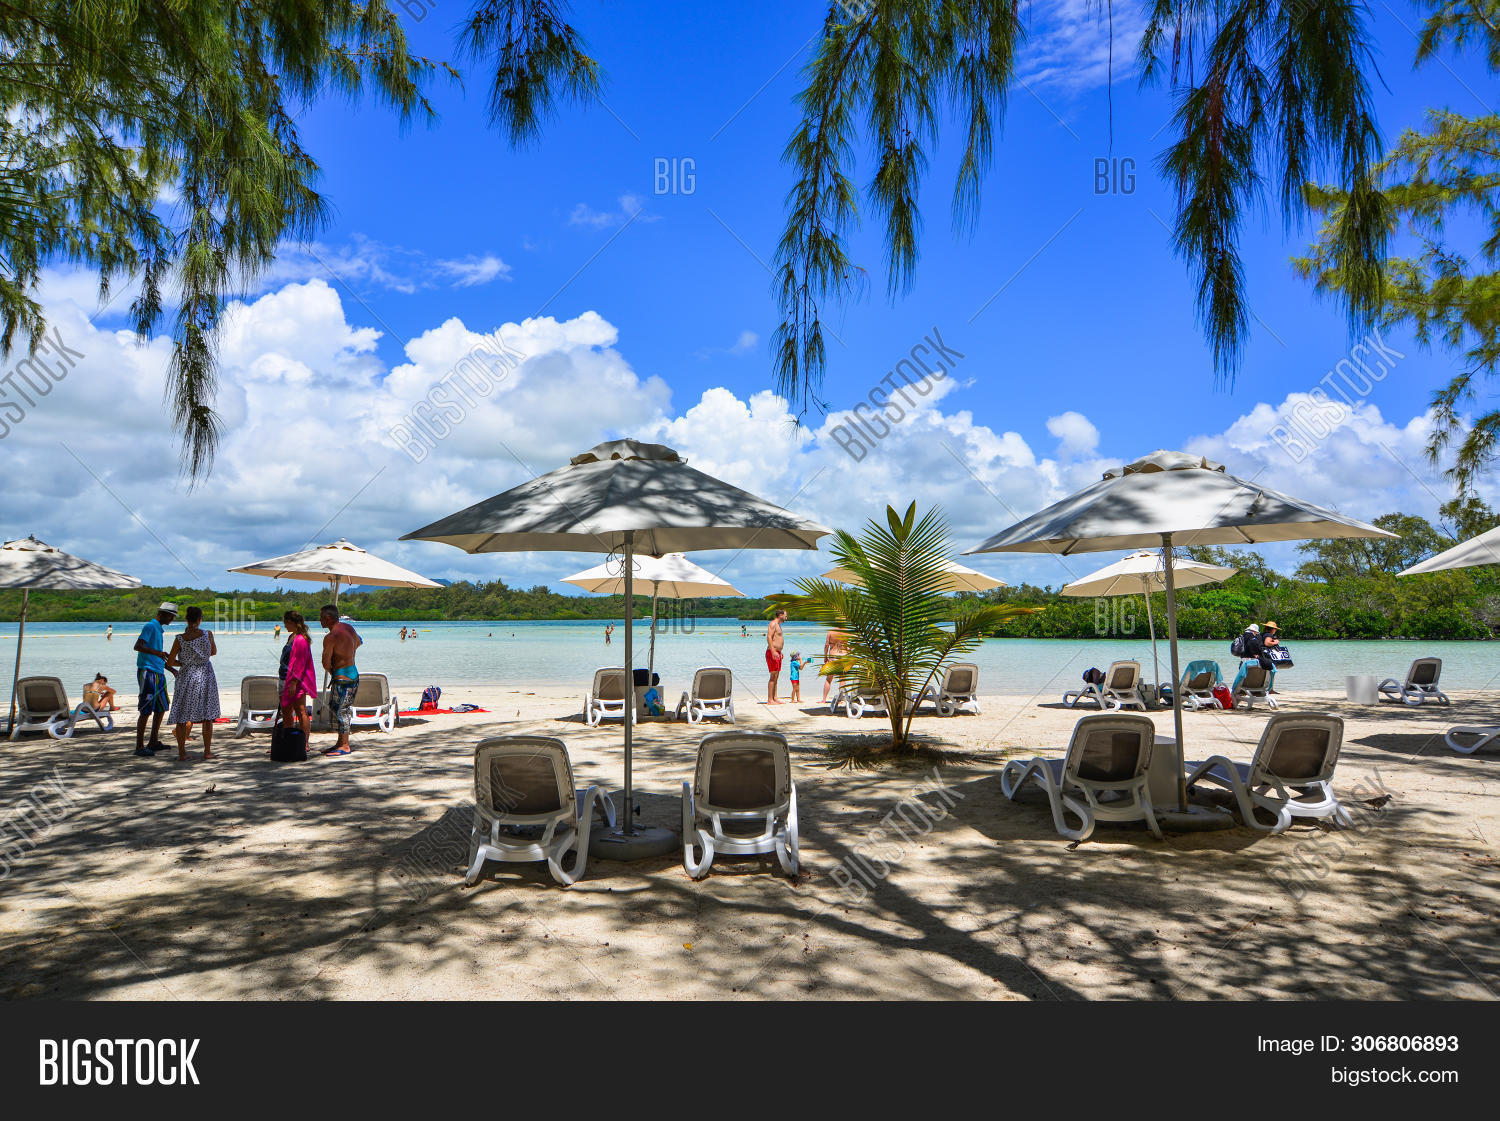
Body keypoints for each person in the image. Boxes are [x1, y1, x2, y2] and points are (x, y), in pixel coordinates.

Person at [166, 606, 220, 762]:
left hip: (186, 676)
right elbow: (213, 652)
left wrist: (183, 663)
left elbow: (170, 662)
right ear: (200, 619)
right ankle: (207, 751)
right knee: (207, 715)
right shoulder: (207, 634)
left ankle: (182, 753)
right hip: (205, 674)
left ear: (186, 620)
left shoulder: (179, 638)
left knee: (182, 716)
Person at [133, 602, 177, 757]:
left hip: (158, 672)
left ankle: (153, 741)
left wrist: (171, 669)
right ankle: (139, 746)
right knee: (146, 709)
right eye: (171, 616)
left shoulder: (158, 629)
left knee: (161, 707)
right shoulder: (150, 627)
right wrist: (157, 653)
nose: (172, 620)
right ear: (163, 614)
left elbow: (157, 655)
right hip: (148, 672)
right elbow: (138, 646)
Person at [320, 604, 362, 756]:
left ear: (328, 618)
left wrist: (334, 671)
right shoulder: (348, 628)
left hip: (342, 679)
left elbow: (325, 663)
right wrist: (348, 656)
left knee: (341, 712)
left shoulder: (330, 637)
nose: (319, 620)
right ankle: (339, 743)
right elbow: (358, 642)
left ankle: (345, 745)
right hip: (354, 674)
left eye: (321, 617)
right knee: (339, 710)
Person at [278, 610, 317, 739]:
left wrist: (294, 682)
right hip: (284, 678)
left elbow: (300, 663)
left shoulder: (300, 639)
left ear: (290, 621)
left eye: (285, 622)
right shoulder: (292, 637)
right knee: (286, 712)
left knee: (301, 711)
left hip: (293, 681)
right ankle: (288, 740)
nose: (284, 625)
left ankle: (304, 742)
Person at [765, 608, 787, 704]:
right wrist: (773, 651)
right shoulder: (773, 623)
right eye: (785, 615)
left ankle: (775, 697)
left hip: (777, 652)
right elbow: (769, 637)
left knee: (776, 676)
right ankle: (770, 699)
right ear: (780, 615)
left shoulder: (778, 625)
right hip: (772, 652)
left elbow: (776, 638)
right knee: (773, 676)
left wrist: (779, 651)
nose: (786, 617)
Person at [822, 628, 849, 702]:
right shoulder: (847, 631)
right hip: (844, 656)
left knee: (829, 679)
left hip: (833, 656)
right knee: (842, 678)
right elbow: (852, 646)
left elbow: (826, 645)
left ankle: (824, 699)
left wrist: (825, 657)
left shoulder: (830, 632)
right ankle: (840, 700)